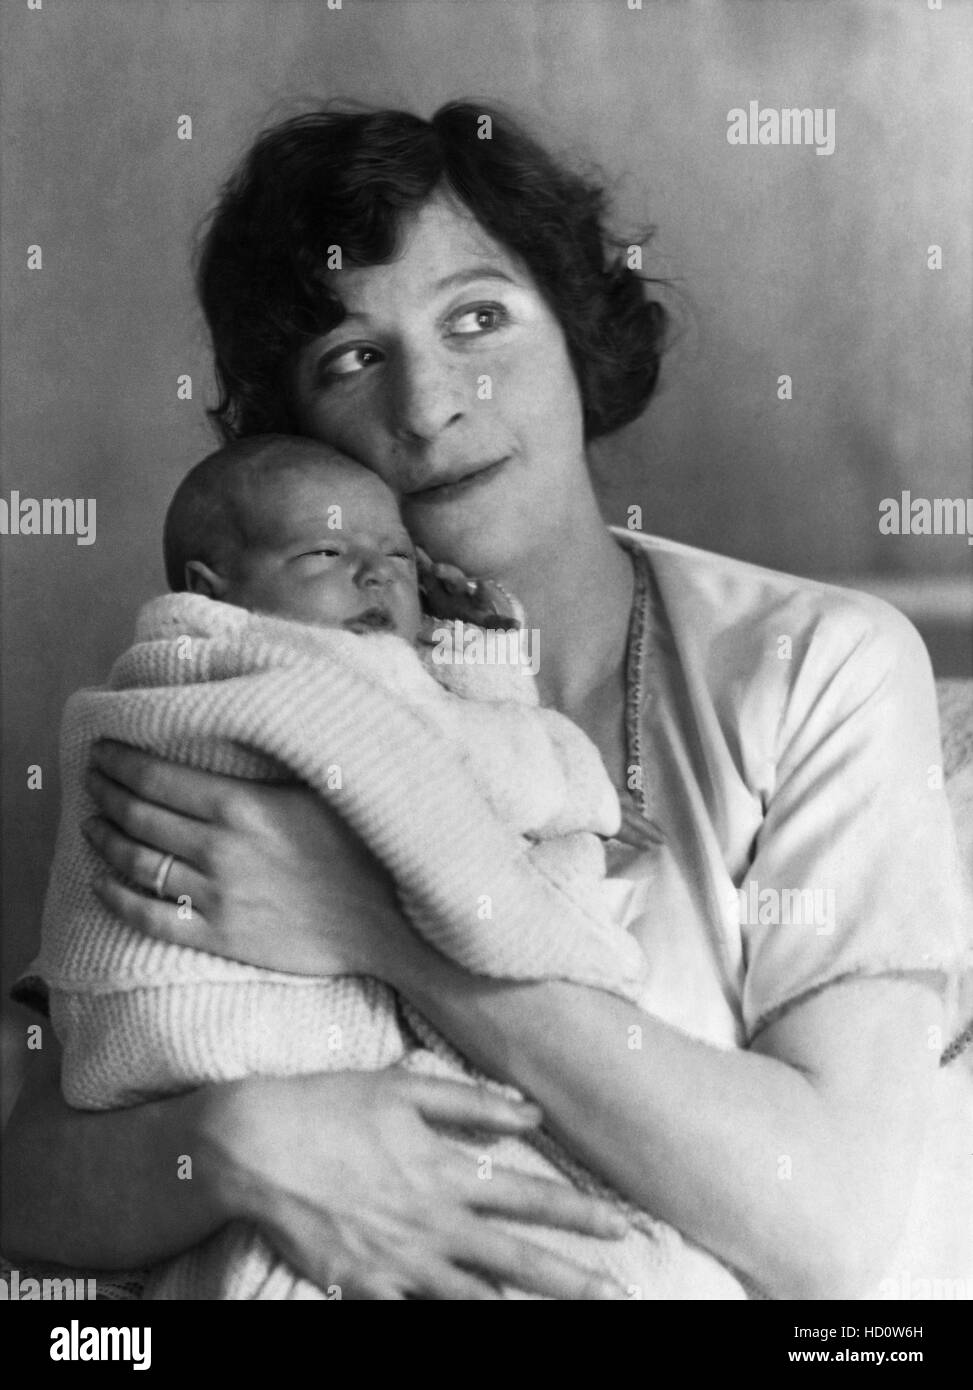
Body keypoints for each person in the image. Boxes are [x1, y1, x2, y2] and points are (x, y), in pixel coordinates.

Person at [4, 101, 969, 1302]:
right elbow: (32, 1160)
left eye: (477, 319)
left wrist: (380, 930)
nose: (428, 404)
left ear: (576, 333)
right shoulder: (235, 683)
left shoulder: (816, 663)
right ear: (295, 430)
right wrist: (239, 1145)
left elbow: (832, 1229)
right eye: (352, 359)